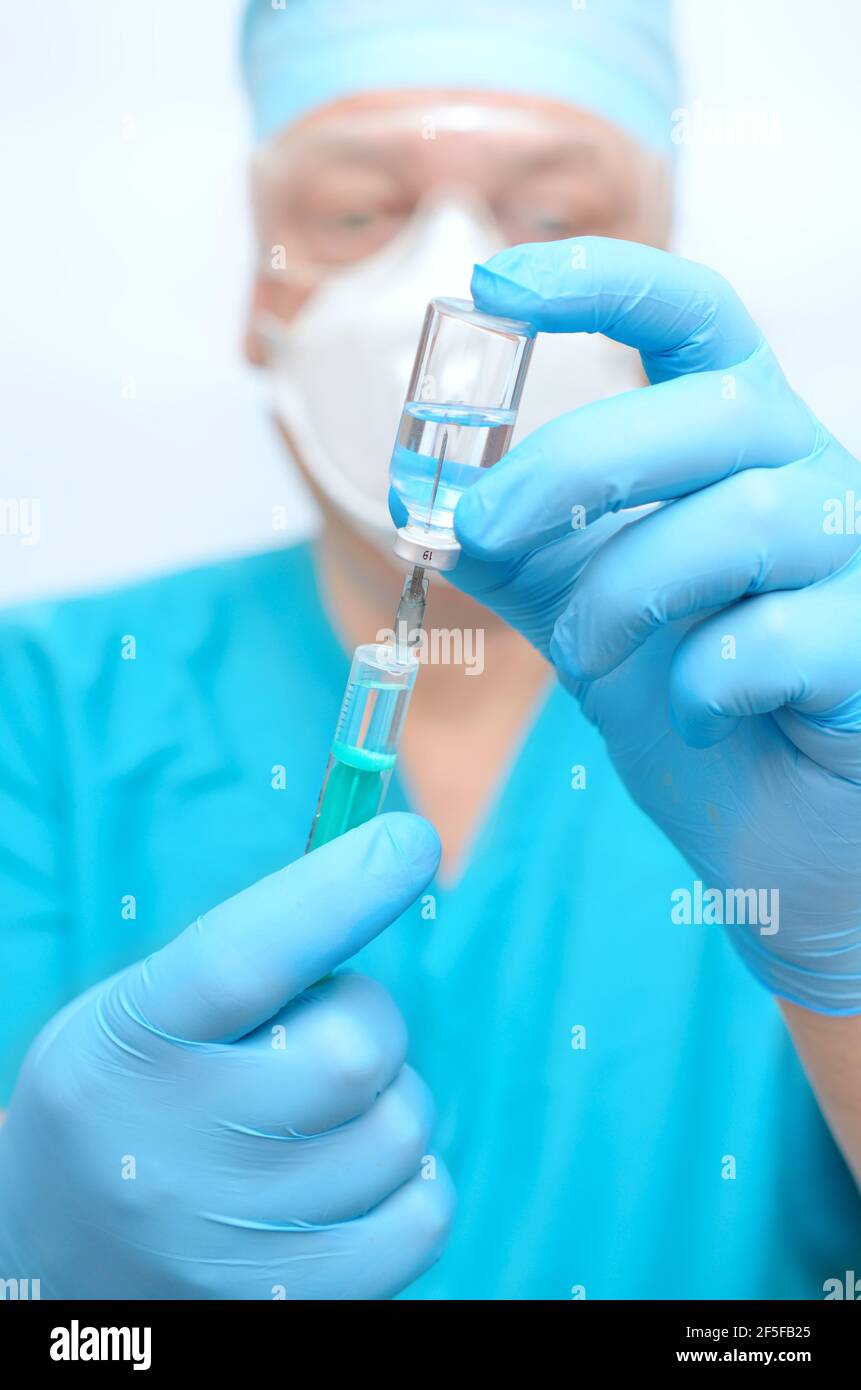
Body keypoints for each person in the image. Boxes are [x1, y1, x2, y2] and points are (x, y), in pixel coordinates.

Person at [1, 0, 859, 1300]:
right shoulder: (44, 703)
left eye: (553, 216)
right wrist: (36, 1267)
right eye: (356, 213)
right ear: (259, 292)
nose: (442, 283)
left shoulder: (805, 716)